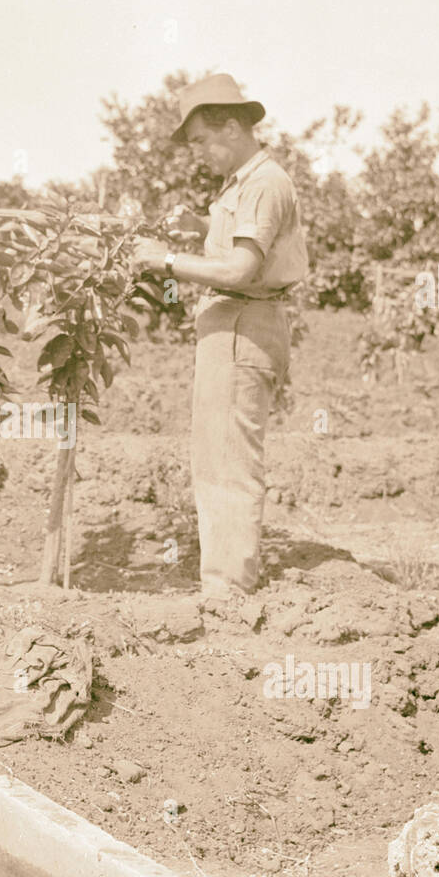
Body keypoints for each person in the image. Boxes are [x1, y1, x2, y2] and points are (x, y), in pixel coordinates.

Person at [130, 74, 309, 623]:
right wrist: (200, 225)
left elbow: (239, 269)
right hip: (232, 323)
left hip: (241, 322)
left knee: (227, 459)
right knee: (215, 453)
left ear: (232, 127)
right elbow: (237, 242)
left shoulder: (264, 183)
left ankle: (228, 594)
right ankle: (225, 584)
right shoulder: (242, 183)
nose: (199, 154)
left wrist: (162, 260)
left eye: (202, 141)